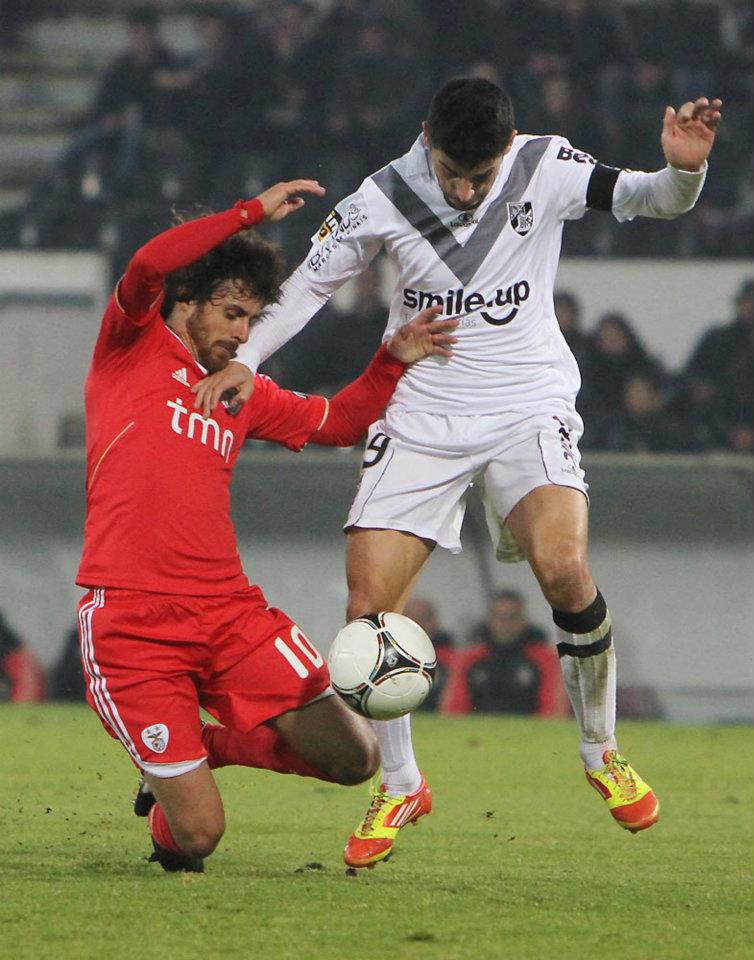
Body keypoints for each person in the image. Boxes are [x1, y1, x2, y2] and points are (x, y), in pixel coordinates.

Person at [193, 78, 722, 868]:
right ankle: (400, 781)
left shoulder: (544, 164)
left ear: (507, 149)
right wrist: (246, 359)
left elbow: (653, 200)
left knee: (565, 569)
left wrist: (683, 171)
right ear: (424, 139)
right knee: (371, 608)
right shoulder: (382, 197)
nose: (466, 188)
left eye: (480, 175)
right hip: (421, 414)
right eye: (452, 172)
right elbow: (307, 286)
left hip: (526, 403)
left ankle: (600, 750)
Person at [75, 178, 458, 873]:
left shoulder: (240, 392)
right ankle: (173, 783)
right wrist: (247, 213)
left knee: (355, 758)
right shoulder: (127, 349)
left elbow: (340, 423)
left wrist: (391, 361)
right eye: (230, 313)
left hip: (228, 613)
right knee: (197, 836)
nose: (242, 334)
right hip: (133, 624)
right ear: (186, 304)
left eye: (251, 320)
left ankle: (192, 752)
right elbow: (147, 267)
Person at [462, 590, 567, 716]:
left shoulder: (546, 658)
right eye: (499, 617)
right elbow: (454, 710)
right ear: (489, 620)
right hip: (476, 734)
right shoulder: (469, 658)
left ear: (524, 620)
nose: (505, 624)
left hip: (531, 734)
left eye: (512, 617)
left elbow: (553, 710)